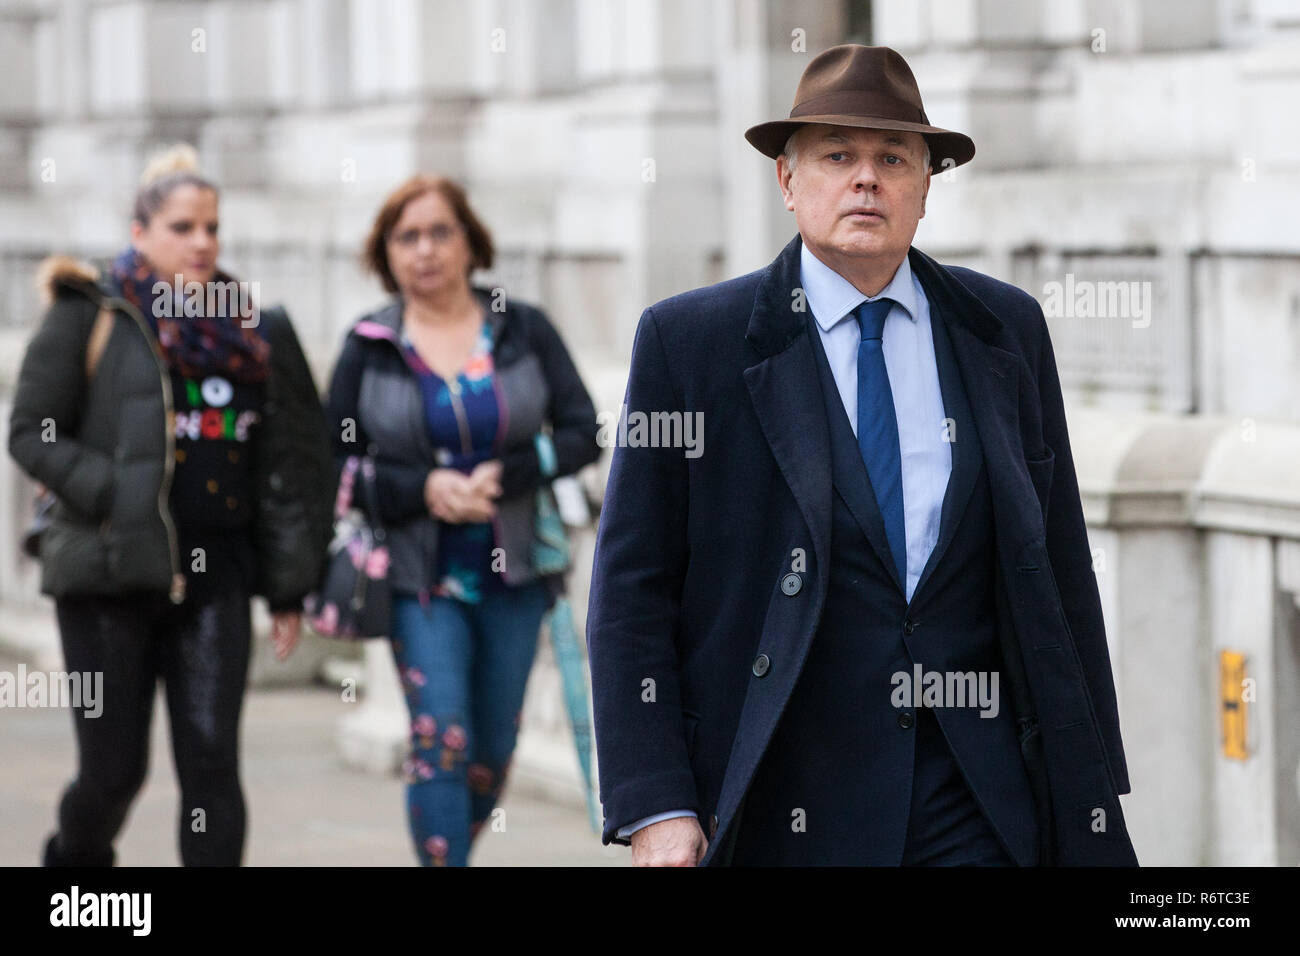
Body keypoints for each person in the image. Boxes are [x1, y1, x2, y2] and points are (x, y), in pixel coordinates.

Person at [586, 44, 1137, 866]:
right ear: (787, 180)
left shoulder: (1004, 329)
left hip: (977, 796)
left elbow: (1058, 564)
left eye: (892, 158)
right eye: (838, 156)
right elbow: (633, 588)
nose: (866, 179)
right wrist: (656, 800)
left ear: (925, 186)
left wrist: (1090, 783)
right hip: (785, 794)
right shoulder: (689, 343)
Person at [9, 144, 334, 867]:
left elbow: (291, 464)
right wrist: (115, 495)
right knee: (113, 771)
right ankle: (74, 869)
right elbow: (31, 433)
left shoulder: (254, 329)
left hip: (215, 576)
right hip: (106, 577)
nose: (202, 243)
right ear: (140, 233)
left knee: (213, 765)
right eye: (183, 226)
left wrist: (290, 583)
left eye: (213, 228)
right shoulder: (89, 312)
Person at [326, 174, 599, 866]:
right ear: (385, 252)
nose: (425, 250)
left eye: (440, 232)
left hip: (515, 571)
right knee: (440, 735)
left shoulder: (522, 327)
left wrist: (508, 473)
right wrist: (426, 489)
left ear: (470, 243)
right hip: (420, 578)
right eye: (406, 236)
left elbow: (581, 432)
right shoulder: (369, 344)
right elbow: (333, 466)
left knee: (491, 753)